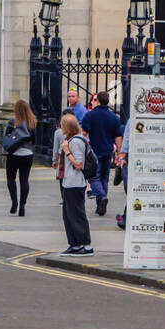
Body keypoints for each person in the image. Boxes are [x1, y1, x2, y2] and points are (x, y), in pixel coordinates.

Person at [80, 91, 123, 217]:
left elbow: (84, 133)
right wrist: (119, 154)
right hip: (108, 150)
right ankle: (100, 206)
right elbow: (118, 137)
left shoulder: (91, 115)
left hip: (94, 150)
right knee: (104, 178)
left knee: (93, 177)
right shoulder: (114, 117)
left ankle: (102, 196)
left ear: (97, 100)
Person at [56, 112, 93, 255]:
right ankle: (75, 244)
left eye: (62, 125)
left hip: (75, 184)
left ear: (67, 126)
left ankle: (87, 246)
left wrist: (67, 151)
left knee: (77, 215)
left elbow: (79, 165)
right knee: (68, 215)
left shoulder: (76, 141)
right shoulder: (70, 140)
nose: (60, 127)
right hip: (69, 183)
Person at [4, 99, 37, 217]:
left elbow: (6, 137)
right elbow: (34, 141)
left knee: (11, 178)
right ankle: (23, 206)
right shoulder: (32, 122)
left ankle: (14, 202)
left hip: (14, 155)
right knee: (24, 180)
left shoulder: (13, 122)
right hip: (28, 155)